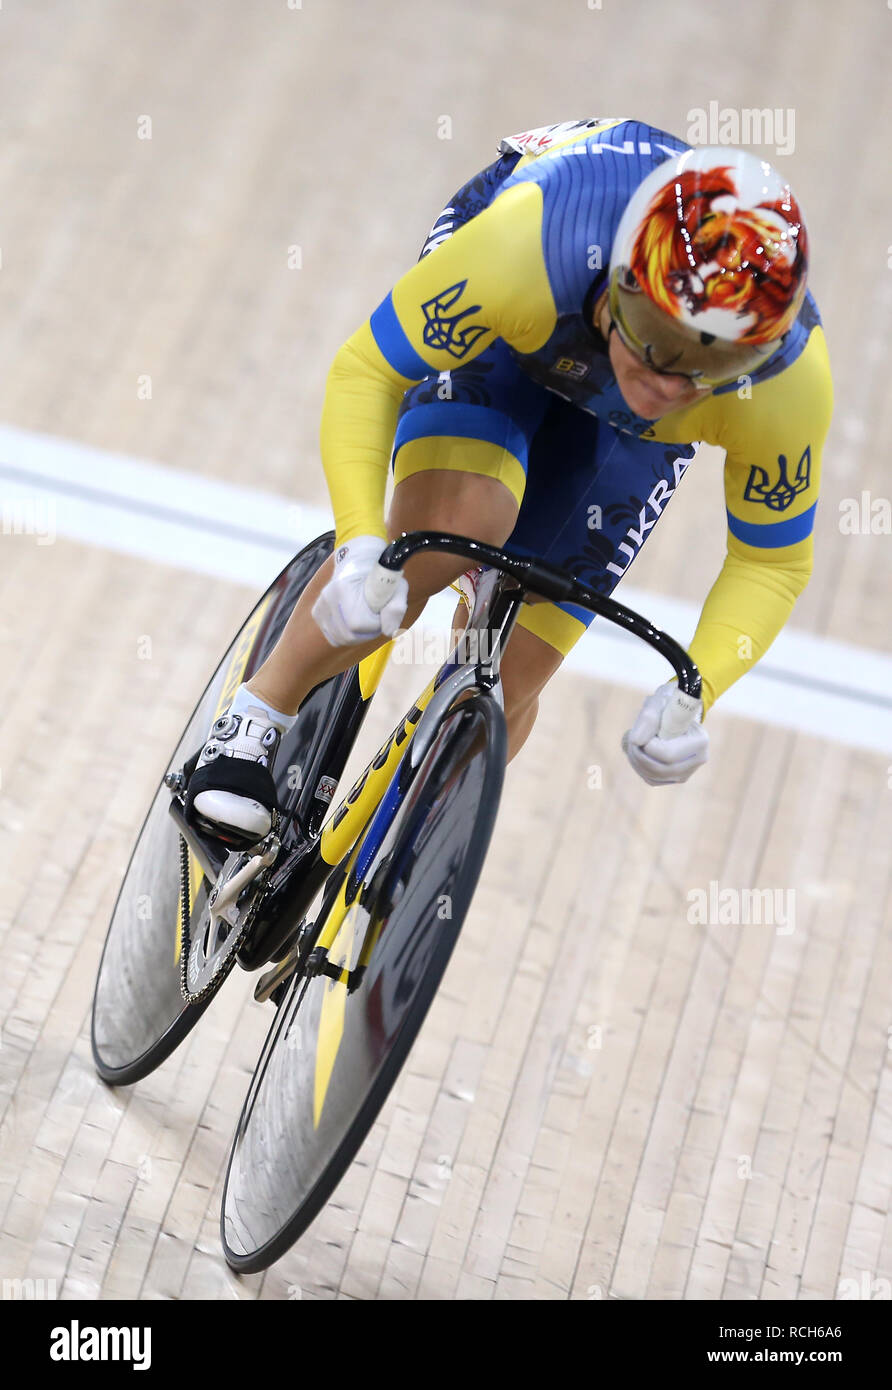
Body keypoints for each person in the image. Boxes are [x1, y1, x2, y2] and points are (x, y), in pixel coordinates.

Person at [184, 118, 833, 847]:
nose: (665, 381)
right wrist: (367, 541)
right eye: (657, 335)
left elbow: (770, 562)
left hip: (612, 406)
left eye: (706, 368)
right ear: (621, 278)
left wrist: (697, 691)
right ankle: (255, 718)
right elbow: (367, 370)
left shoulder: (786, 386)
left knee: (511, 670)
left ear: (757, 355)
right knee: (455, 530)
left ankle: (398, 869)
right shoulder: (527, 246)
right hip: (519, 328)